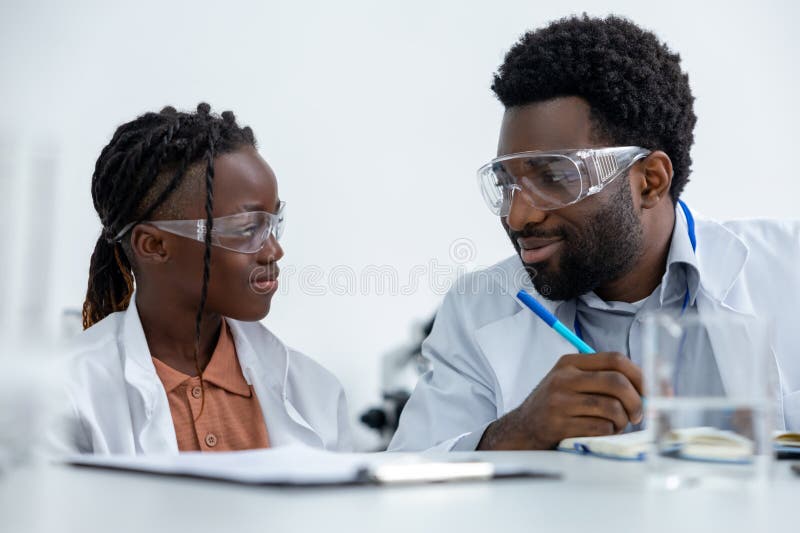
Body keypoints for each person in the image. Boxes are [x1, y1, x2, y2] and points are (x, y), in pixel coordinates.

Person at [389, 15, 800, 451]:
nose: (517, 216)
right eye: (505, 183)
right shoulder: (477, 311)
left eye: (553, 176)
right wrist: (520, 432)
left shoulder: (788, 270)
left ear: (650, 181)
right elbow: (407, 487)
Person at [51, 104, 352, 455]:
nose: (273, 251)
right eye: (247, 228)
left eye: (273, 223)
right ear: (154, 245)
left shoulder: (317, 396)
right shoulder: (64, 397)